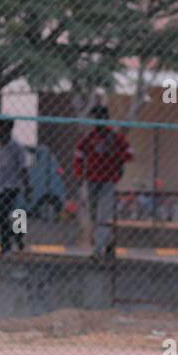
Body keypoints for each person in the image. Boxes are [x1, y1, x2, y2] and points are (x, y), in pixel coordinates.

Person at [71, 104, 132, 258]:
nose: (96, 122)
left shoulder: (114, 137)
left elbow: (129, 154)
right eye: (94, 119)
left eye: (99, 118)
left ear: (105, 119)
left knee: (103, 216)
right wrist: (79, 173)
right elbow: (78, 155)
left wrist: (115, 153)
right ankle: (109, 241)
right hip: (92, 179)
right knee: (93, 216)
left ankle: (97, 251)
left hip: (108, 181)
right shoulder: (89, 138)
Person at [0, 120, 28, 254]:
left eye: (3, 128)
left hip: (11, 186)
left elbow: (23, 168)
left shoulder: (16, 147)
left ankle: (6, 245)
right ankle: (16, 235)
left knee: (6, 213)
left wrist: (26, 186)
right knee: (0, 216)